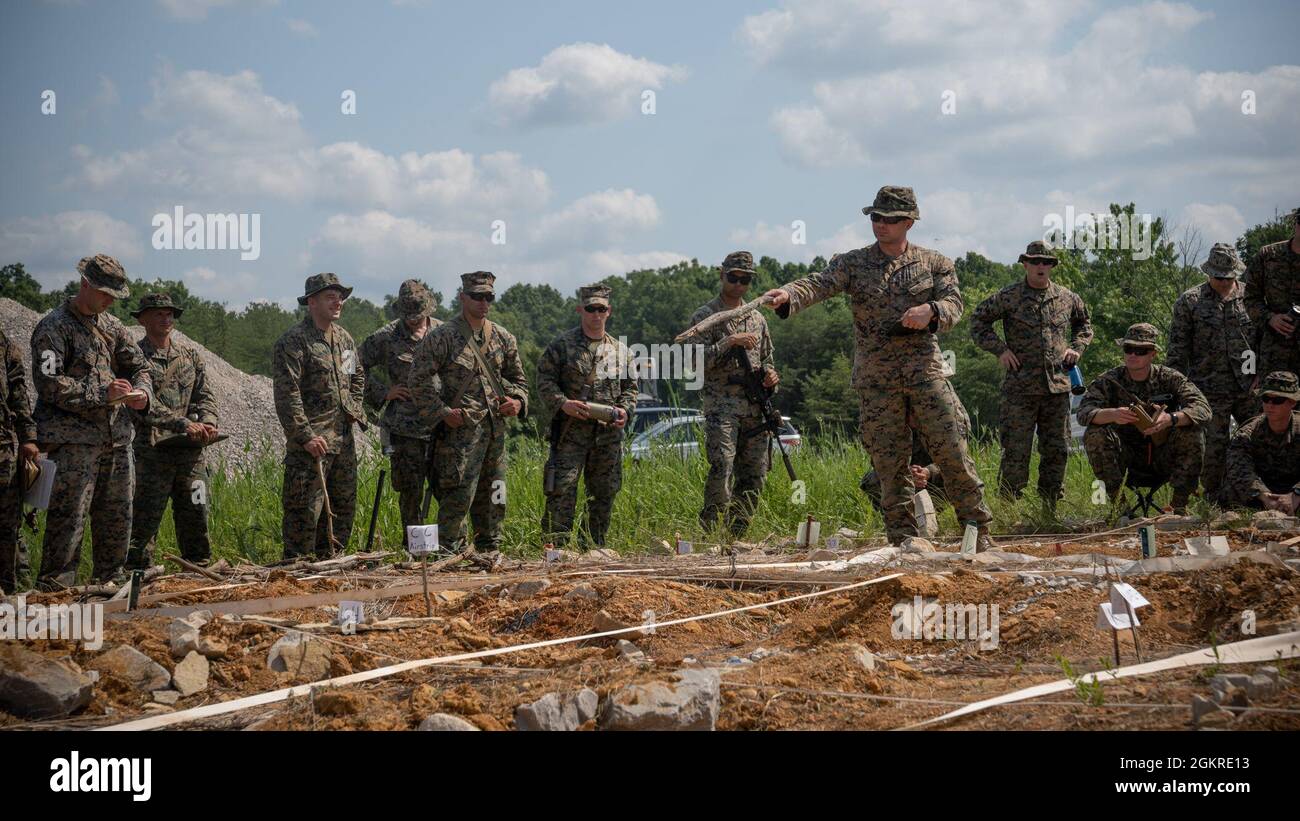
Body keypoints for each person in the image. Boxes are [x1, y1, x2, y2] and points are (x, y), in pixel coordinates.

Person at [764, 186, 994, 550]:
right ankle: (905, 543)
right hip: (876, 381)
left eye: (888, 219)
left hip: (926, 373)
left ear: (908, 222)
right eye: (875, 217)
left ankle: (977, 534)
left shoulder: (935, 263)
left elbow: (954, 303)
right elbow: (819, 283)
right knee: (889, 464)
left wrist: (931, 311)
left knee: (952, 452)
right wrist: (789, 294)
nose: (879, 225)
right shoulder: (853, 263)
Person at [31, 254, 152, 588]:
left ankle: (109, 585)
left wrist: (142, 391)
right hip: (72, 445)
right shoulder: (53, 328)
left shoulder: (113, 327)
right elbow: (49, 384)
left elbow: (140, 366)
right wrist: (104, 393)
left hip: (117, 440)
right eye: (104, 293)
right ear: (85, 284)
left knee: (117, 517)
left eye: (114, 296)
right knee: (68, 520)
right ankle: (56, 590)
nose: (110, 301)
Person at [410, 272, 529, 552]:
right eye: (477, 296)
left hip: (495, 434)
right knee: (458, 495)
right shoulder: (443, 337)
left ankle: (490, 550)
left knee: (496, 493)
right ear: (463, 297)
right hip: (459, 435)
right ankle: (451, 552)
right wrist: (441, 412)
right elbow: (417, 379)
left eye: (489, 296)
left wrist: (518, 403)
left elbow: (521, 381)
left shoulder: (503, 337)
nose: (483, 302)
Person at [971, 240, 1092, 512]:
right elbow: (978, 321)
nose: (1041, 266)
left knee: (1058, 450)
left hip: (1057, 388)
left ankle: (1049, 510)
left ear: (1052, 266)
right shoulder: (1009, 296)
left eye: (1046, 262)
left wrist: (1077, 348)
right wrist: (1000, 349)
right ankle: (1008, 509)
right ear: (1025, 263)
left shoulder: (1067, 297)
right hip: (1020, 388)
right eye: (1035, 261)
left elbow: (1085, 324)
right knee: (1016, 451)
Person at [273, 273, 366, 559]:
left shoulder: (345, 340)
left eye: (340, 296)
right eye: (330, 296)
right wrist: (305, 436)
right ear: (311, 302)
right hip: (311, 445)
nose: (338, 301)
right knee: (304, 512)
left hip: (342, 442)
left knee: (342, 508)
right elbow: (288, 395)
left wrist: (354, 407)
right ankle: (298, 571)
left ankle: (332, 567)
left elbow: (356, 376)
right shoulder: (293, 342)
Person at [537, 284, 637, 549]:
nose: (596, 314)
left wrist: (625, 411)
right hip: (571, 434)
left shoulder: (621, 351)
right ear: (580, 309)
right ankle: (555, 553)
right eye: (590, 308)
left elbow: (630, 389)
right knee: (561, 493)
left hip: (607, 438)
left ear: (609, 311)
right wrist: (563, 403)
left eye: (601, 309)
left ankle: (592, 549)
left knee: (604, 494)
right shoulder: (562, 346)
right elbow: (544, 382)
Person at [126, 293, 219, 569]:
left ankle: (198, 570)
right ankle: (137, 577)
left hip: (191, 454)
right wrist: (183, 424)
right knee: (145, 521)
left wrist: (209, 421)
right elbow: (141, 407)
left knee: (197, 511)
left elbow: (205, 395)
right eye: (158, 314)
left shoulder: (189, 356)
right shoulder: (133, 358)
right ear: (143, 319)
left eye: (170, 314)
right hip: (152, 455)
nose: (166, 319)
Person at [690, 251, 780, 537]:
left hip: (755, 409)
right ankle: (709, 533)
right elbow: (693, 362)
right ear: (722, 274)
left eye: (745, 280)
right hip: (722, 408)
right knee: (722, 467)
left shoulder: (757, 318)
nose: (739, 284)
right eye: (734, 277)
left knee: (755, 475)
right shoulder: (706, 317)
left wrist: (771, 377)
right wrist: (728, 342)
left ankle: (736, 536)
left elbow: (767, 359)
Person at [1075, 322, 1210, 513]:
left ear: (1153, 354)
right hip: (1126, 457)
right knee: (1095, 433)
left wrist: (1171, 419)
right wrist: (1111, 414)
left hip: (1164, 456)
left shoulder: (1169, 378)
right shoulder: (1109, 380)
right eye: (1128, 349)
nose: (1132, 355)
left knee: (1193, 431)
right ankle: (1121, 511)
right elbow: (1083, 412)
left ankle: (1179, 508)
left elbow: (1203, 408)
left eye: (1141, 351)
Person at [1167, 242, 1258, 503]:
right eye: (1218, 277)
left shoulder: (1252, 298)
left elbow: (1263, 340)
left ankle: (1257, 496)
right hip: (1208, 387)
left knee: (1256, 440)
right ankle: (1215, 501)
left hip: (1249, 385)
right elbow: (1178, 349)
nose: (1223, 282)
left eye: (1228, 277)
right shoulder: (1191, 301)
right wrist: (1177, 390)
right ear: (1208, 273)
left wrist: (1261, 373)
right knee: (1214, 448)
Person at [359, 279, 442, 543]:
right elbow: (351, 363)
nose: (413, 321)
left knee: (450, 488)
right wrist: (383, 392)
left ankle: (450, 547)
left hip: (443, 426)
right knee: (410, 493)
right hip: (406, 431)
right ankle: (416, 552)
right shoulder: (386, 336)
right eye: (408, 317)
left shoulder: (445, 332)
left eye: (418, 316)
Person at [1222, 371, 1300, 512]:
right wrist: (1264, 496)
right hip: (1262, 492)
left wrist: (1296, 495)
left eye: (1277, 400)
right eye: (1265, 399)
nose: (1270, 405)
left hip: (1295, 490)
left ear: (1292, 402)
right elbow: (1238, 468)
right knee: (1230, 489)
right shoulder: (1247, 433)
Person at [0, 327, 38, 593]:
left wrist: (27, 436)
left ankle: (13, 591)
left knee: (7, 522)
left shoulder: (3, 341)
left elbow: (17, 389)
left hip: (2, 446)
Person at [1243, 206, 1300, 377]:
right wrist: (1270, 318)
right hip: (1274, 352)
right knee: (1272, 402)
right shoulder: (1268, 255)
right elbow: (1250, 298)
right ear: (1295, 224)